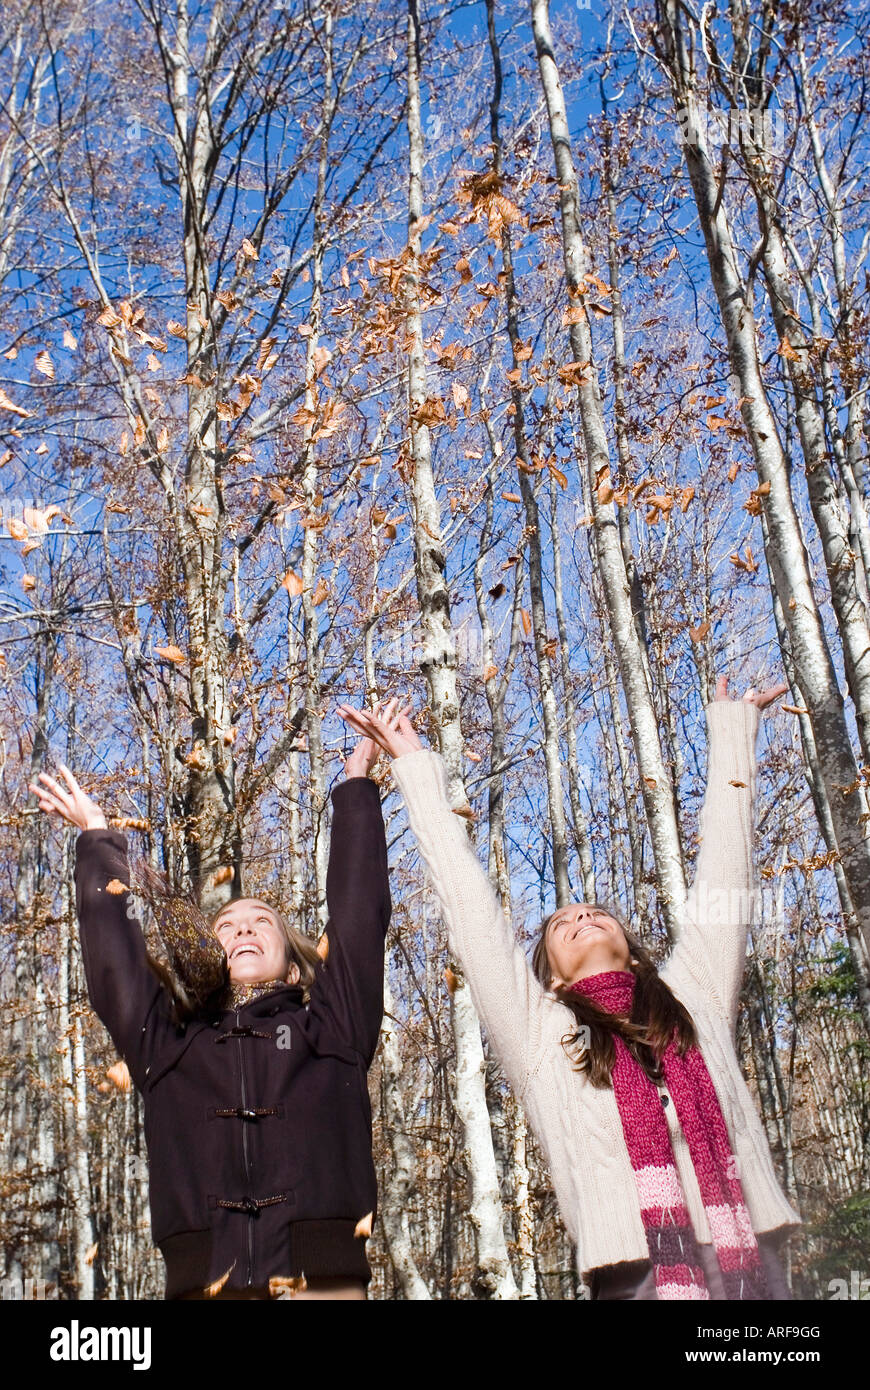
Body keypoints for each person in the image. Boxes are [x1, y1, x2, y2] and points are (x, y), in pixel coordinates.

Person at [337, 678, 801, 1300]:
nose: (581, 915)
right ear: (550, 975)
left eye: (595, 912)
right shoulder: (539, 1033)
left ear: (635, 951)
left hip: (753, 1260)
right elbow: (468, 907)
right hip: (633, 1275)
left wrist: (732, 734)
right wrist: (414, 766)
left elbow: (727, 866)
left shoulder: (695, 992)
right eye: (561, 922)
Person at [30, 702, 401, 1301]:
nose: (247, 928)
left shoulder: (335, 1025)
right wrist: (98, 836)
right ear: (208, 949)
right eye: (228, 925)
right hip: (204, 1284)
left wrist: (357, 787)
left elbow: (359, 921)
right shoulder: (166, 1044)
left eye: (264, 922)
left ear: (295, 955)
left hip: (322, 1282)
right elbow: (114, 968)